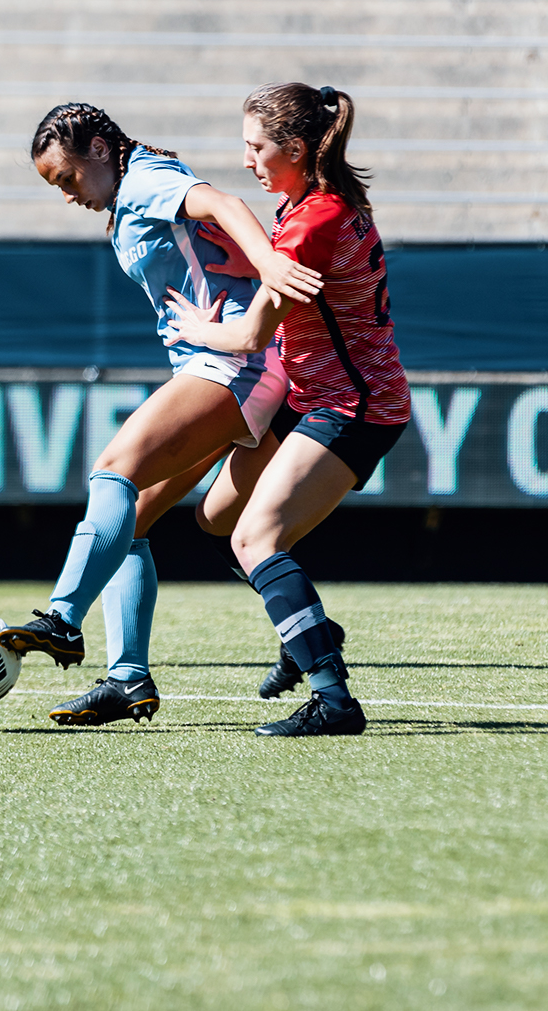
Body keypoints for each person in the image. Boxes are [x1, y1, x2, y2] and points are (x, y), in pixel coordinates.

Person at [0, 103, 324, 727]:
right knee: (136, 516)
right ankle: (128, 679)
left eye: (65, 179)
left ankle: (64, 619)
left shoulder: (144, 179)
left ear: (97, 149)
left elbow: (223, 202)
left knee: (113, 469)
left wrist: (271, 261)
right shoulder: (135, 187)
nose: (67, 195)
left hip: (234, 365)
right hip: (223, 367)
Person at [165, 83, 410, 737]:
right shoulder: (313, 204)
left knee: (255, 539)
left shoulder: (310, 221)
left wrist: (190, 327)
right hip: (310, 394)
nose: (247, 159)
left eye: (256, 146)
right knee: (219, 521)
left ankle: (335, 699)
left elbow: (246, 336)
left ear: (296, 148)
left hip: (356, 404)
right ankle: (310, 626)